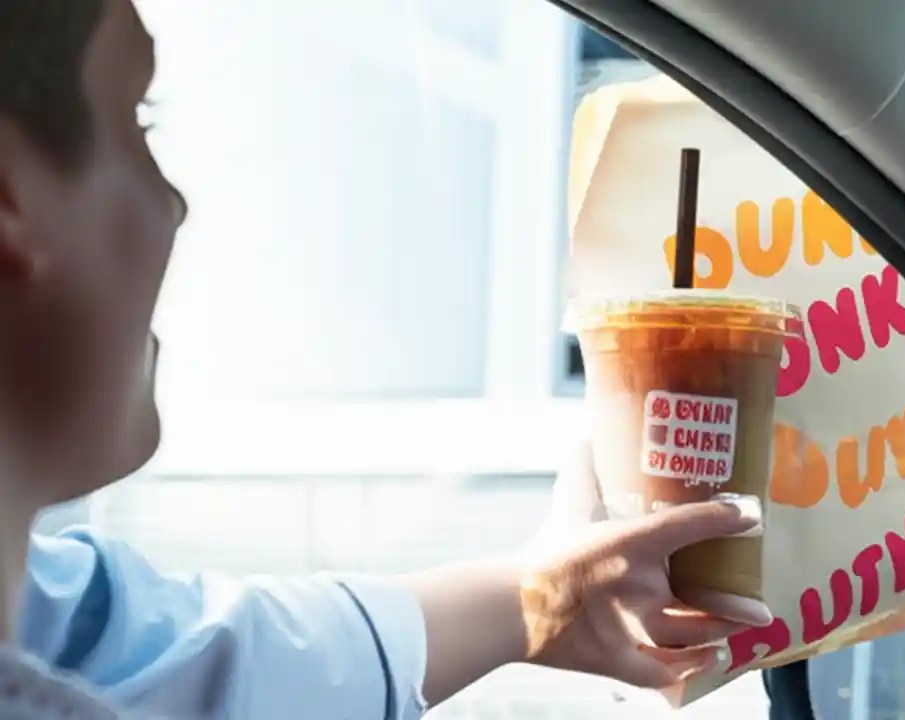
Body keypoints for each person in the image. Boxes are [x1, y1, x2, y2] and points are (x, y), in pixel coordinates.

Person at [0, 0, 772, 717]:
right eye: (139, 121)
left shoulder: (45, 624)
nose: (174, 204)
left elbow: (205, 661)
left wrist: (541, 599)